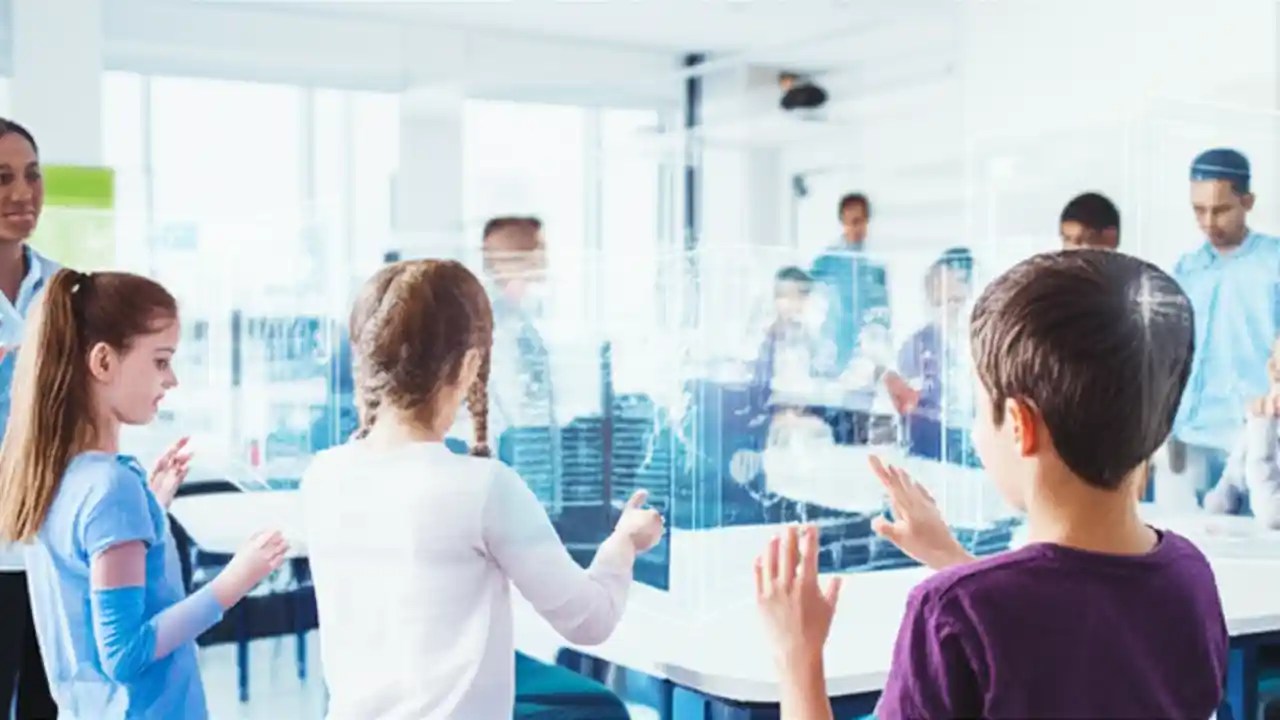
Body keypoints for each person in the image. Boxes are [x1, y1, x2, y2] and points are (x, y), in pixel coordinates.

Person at [755, 250, 1227, 719]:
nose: (978, 430)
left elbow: (1022, 623)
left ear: (1020, 424)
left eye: (980, 409)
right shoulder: (1189, 576)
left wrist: (797, 657)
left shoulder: (949, 611)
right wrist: (952, 560)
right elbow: (1069, 630)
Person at [302, 259, 665, 719]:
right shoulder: (482, 487)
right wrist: (625, 542)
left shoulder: (323, 476)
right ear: (471, 363)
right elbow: (589, 620)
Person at [0, 269, 289, 718]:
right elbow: (126, 653)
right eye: (160, 361)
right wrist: (234, 581)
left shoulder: (54, 474)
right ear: (102, 362)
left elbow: (89, 563)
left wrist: (150, 508)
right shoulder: (111, 489)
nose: (171, 379)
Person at [1171, 148, 1280, 504]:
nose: (1207, 222)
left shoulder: (1274, 263)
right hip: (1188, 441)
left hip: (1256, 440)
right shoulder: (1187, 269)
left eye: (1220, 210)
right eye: (1198, 210)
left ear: (1247, 202)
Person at [0, 116, 60, 720]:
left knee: (51, 706)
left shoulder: (64, 291)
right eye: (2, 178)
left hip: (49, 543)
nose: (22, 193)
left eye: (32, 174)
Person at [897, 247, 978, 465]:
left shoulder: (982, 343)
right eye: (938, 301)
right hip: (928, 455)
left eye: (954, 300)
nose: (947, 309)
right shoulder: (917, 345)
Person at [1205, 337, 1280, 526]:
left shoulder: (1263, 429)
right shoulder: (1265, 425)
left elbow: (1272, 514)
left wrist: (1261, 429)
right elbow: (1220, 502)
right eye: (1277, 376)